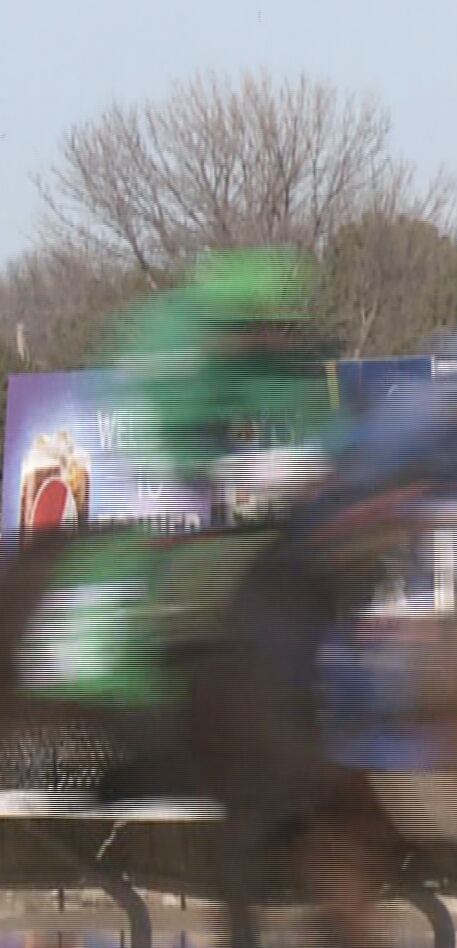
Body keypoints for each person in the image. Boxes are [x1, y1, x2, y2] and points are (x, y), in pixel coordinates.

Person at [21, 247, 339, 719]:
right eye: (261, 326)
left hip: (202, 437)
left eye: (280, 327)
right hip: (135, 430)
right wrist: (243, 468)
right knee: (173, 519)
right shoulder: (175, 335)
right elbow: (161, 439)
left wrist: (327, 459)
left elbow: (314, 415)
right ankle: (87, 649)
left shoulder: (269, 342)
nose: (273, 336)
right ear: (232, 317)